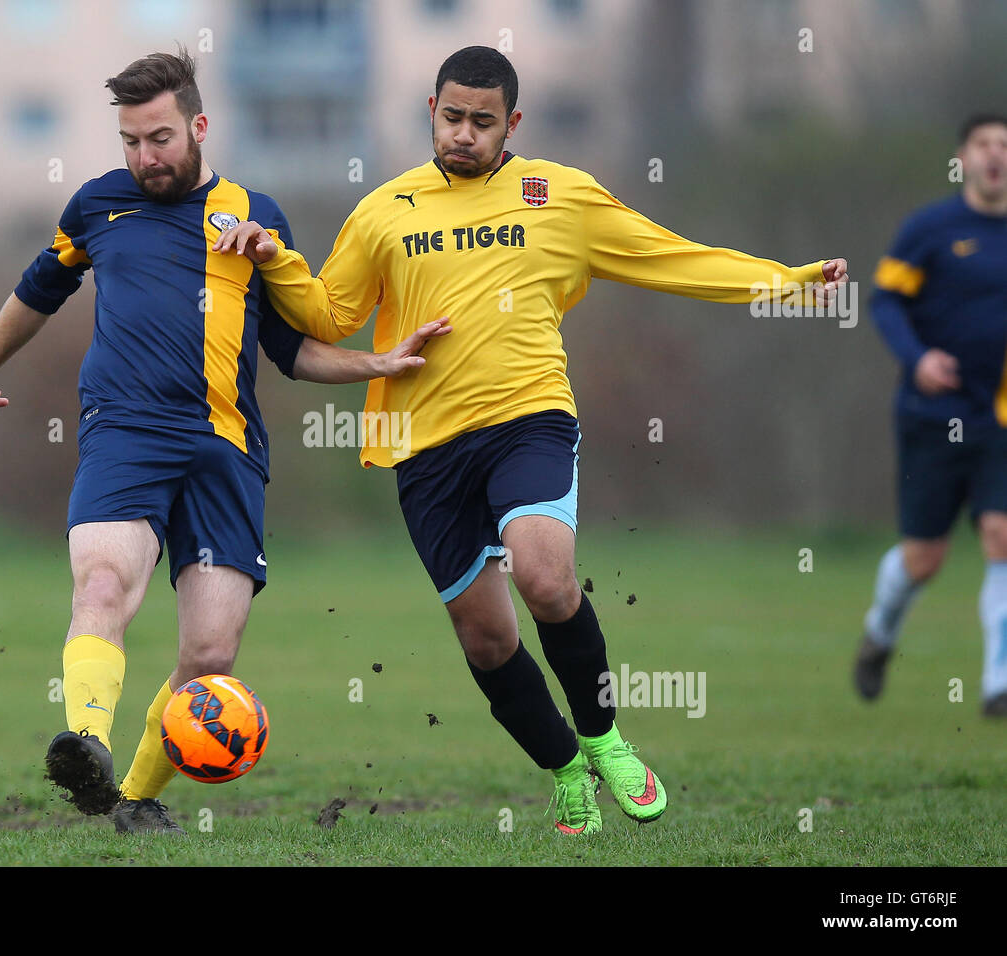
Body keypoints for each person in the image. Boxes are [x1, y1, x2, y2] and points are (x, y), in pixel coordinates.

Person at [214, 45, 845, 834]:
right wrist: (277, 260)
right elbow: (329, 316)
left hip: (529, 417)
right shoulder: (384, 210)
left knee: (545, 578)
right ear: (431, 114)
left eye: (483, 121)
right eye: (452, 118)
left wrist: (786, 281)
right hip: (420, 444)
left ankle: (607, 738)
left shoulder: (561, 197)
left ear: (512, 123)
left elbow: (671, 259)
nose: (465, 135)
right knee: (486, 640)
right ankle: (565, 771)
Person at [0, 49, 446, 835]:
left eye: (159, 138)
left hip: (225, 449)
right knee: (104, 588)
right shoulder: (96, 207)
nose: (144, 157)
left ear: (199, 125)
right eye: (129, 141)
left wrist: (376, 363)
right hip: (123, 434)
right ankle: (84, 741)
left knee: (211, 656)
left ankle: (137, 800)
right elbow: (38, 289)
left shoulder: (257, 217)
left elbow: (293, 350)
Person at [855, 113, 1007, 716]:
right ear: (964, 157)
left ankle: (998, 685)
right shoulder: (932, 228)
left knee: (1001, 534)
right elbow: (886, 300)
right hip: (932, 412)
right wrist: (917, 360)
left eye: (1006, 145)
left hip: (1000, 417)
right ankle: (880, 634)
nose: (996, 154)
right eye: (985, 144)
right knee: (925, 558)